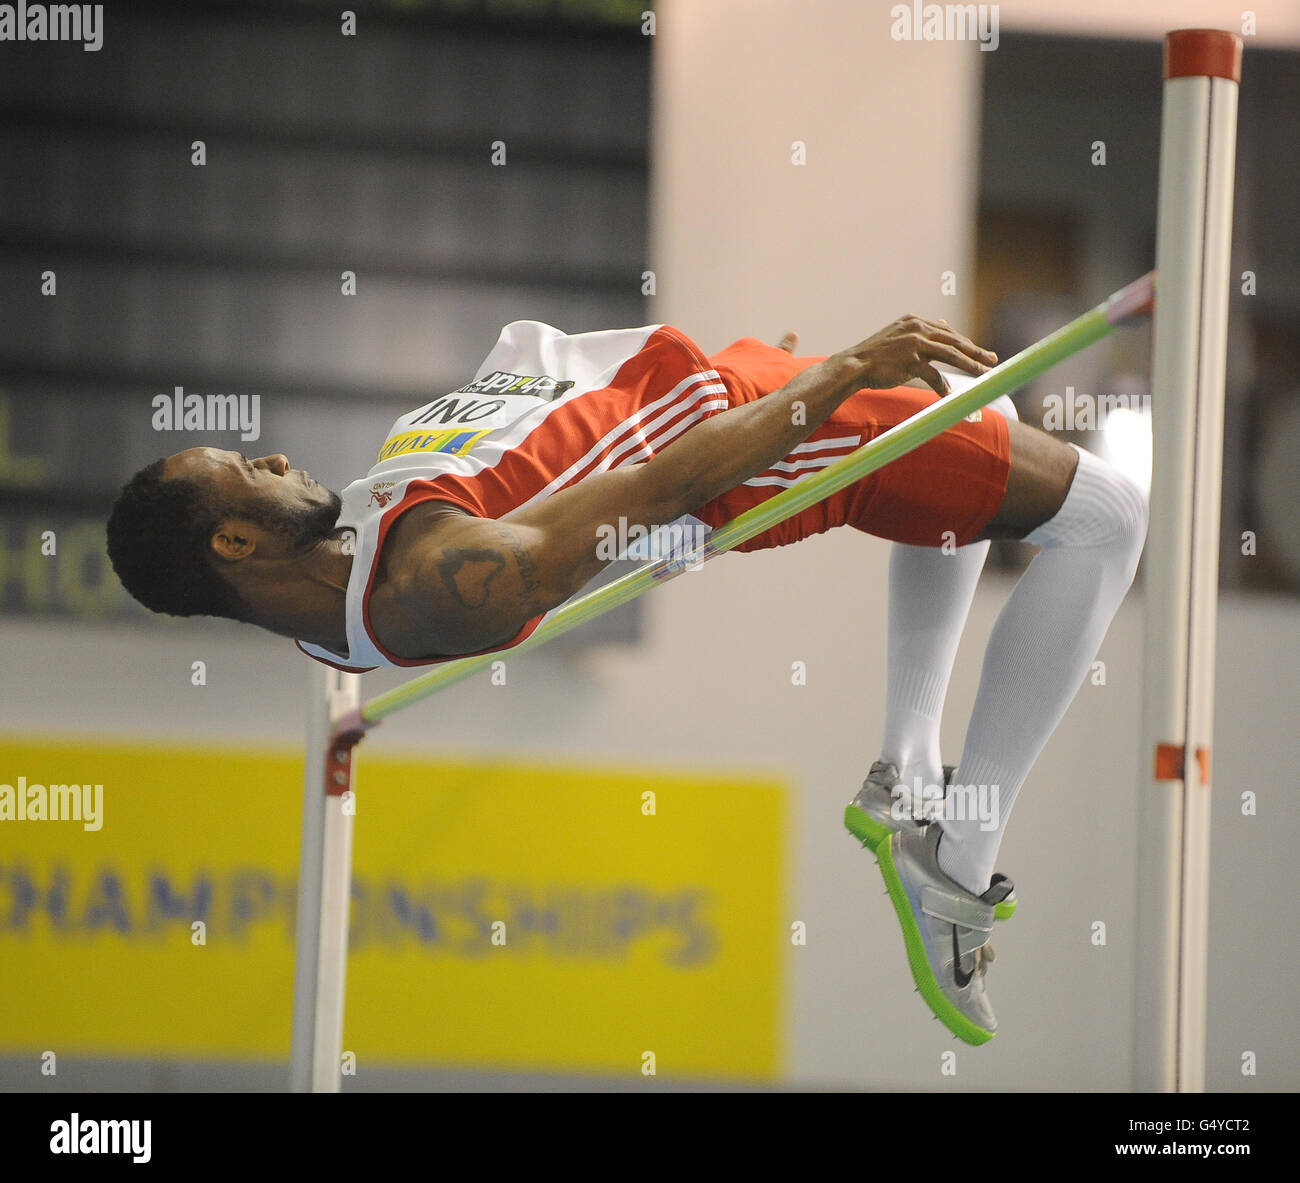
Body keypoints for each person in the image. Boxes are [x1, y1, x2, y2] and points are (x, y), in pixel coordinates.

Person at [106, 311, 1147, 1043]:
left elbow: (564, 441)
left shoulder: (335, 590)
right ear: (238, 544)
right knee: (1108, 518)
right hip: (735, 433)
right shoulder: (444, 584)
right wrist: (825, 384)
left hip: (711, 381)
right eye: (249, 471)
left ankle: (908, 767)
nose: (276, 462)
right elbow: (657, 486)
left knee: (954, 396)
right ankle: (961, 855)